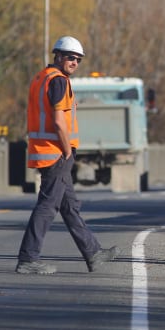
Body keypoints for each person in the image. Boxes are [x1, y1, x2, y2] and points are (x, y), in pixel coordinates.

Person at [16, 36, 122, 274]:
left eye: (78, 59)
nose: (74, 62)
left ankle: (93, 253)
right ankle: (28, 258)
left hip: (45, 149)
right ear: (58, 56)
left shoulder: (41, 77)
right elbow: (58, 121)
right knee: (47, 205)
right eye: (70, 57)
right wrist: (66, 150)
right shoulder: (59, 81)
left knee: (69, 206)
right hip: (56, 152)